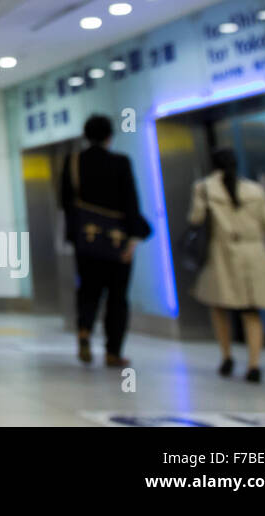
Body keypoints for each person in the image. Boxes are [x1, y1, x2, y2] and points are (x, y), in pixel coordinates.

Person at [60, 114, 152, 368]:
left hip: (86, 241)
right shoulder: (120, 162)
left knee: (88, 290)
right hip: (117, 241)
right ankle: (113, 351)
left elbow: (65, 203)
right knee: (117, 297)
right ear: (110, 136)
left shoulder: (74, 162)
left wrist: (74, 238)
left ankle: (84, 330)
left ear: (85, 135)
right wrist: (133, 240)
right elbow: (132, 204)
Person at [189, 148, 265, 383]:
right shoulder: (255, 190)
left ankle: (226, 356)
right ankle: (254, 364)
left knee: (220, 306)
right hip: (252, 253)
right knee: (251, 310)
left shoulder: (204, 188)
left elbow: (195, 219)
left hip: (221, 253)